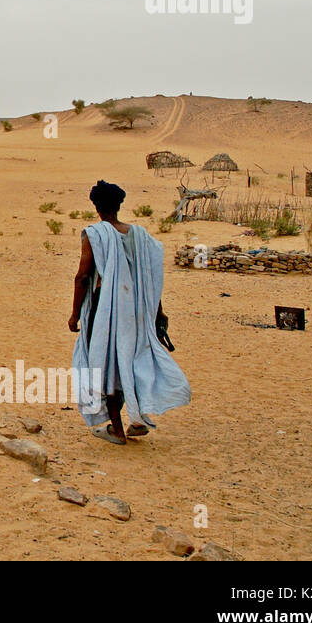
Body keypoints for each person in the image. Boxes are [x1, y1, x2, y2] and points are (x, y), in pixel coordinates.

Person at [67, 180, 190, 444]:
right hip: (138, 310)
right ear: (119, 205)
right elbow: (150, 278)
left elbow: (82, 276)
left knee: (108, 364)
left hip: (106, 310)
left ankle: (119, 430)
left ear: (96, 206)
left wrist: (75, 314)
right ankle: (136, 418)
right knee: (132, 361)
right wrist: (159, 311)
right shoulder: (140, 235)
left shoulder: (94, 234)